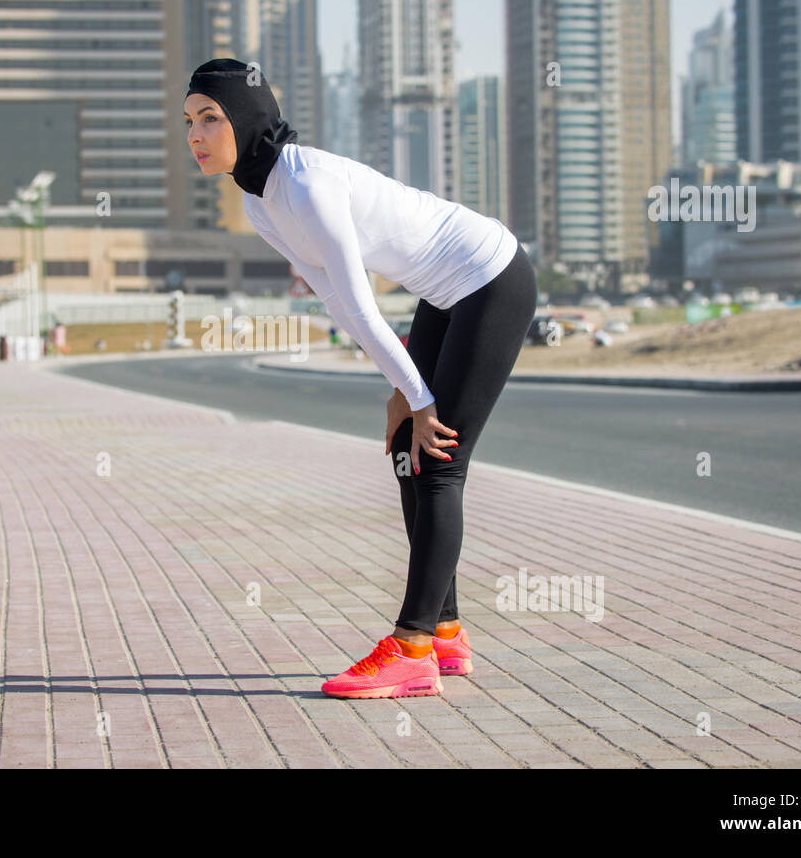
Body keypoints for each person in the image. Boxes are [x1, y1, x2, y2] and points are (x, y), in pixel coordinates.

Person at [185, 58, 537, 699]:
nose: (196, 134)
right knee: (410, 451)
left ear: (246, 116)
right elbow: (334, 301)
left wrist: (421, 395)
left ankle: (411, 647)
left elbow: (359, 302)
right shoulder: (261, 200)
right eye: (188, 121)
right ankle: (447, 630)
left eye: (211, 117)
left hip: (490, 278)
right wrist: (405, 390)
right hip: (442, 291)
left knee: (440, 459)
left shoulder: (310, 185)